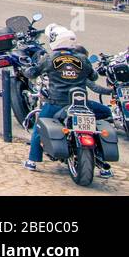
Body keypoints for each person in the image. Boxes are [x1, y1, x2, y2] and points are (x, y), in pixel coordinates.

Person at [24, 27, 114, 177]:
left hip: (56, 103)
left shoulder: (49, 58)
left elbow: (32, 72)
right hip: (82, 104)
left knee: (39, 126)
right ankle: (103, 165)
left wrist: (28, 69)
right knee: (105, 112)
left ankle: (32, 161)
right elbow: (93, 77)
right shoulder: (83, 59)